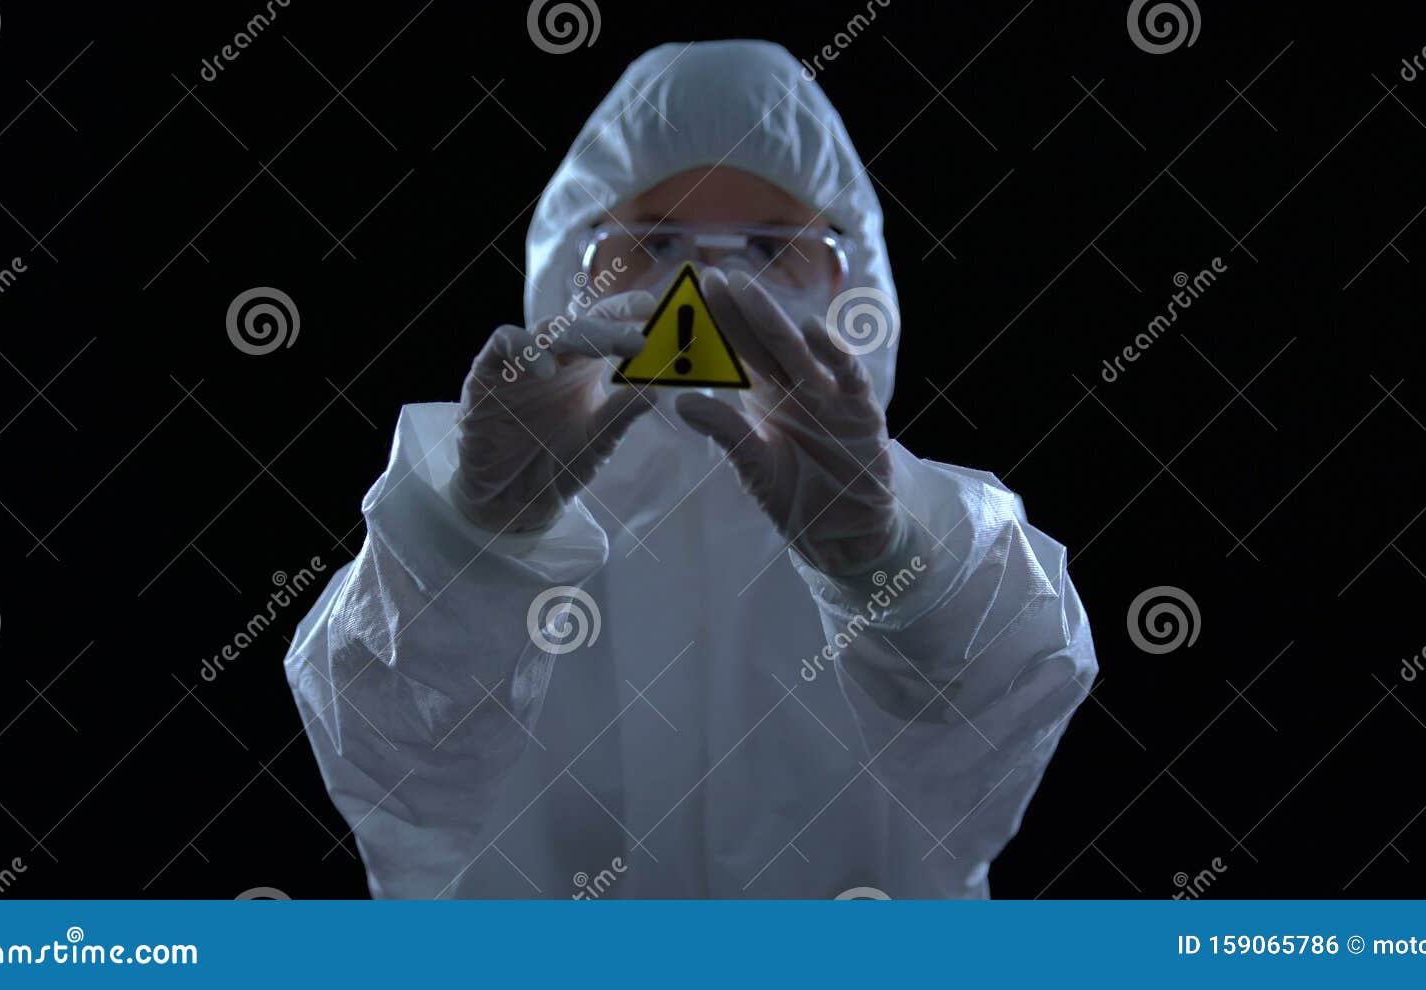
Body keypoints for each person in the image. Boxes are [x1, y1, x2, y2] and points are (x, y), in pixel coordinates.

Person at [284, 39, 1097, 899]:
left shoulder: (924, 545)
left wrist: (887, 565)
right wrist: (469, 542)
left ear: (852, 284)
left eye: (771, 246)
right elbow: (384, 756)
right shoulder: (500, 542)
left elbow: (1005, 714)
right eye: (658, 239)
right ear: (573, 265)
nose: (705, 283)